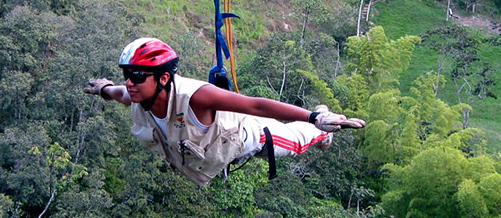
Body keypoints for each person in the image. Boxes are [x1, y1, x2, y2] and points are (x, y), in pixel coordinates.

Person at [83, 37, 366, 187]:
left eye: (137, 76)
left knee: (296, 141)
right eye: (126, 75)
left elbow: (256, 104)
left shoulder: (197, 97)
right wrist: (103, 87)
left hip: (249, 136)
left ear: (163, 79)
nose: (129, 83)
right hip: (214, 145)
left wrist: (314, 118)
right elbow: (114, 93)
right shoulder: (131, 94)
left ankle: (321, 129)